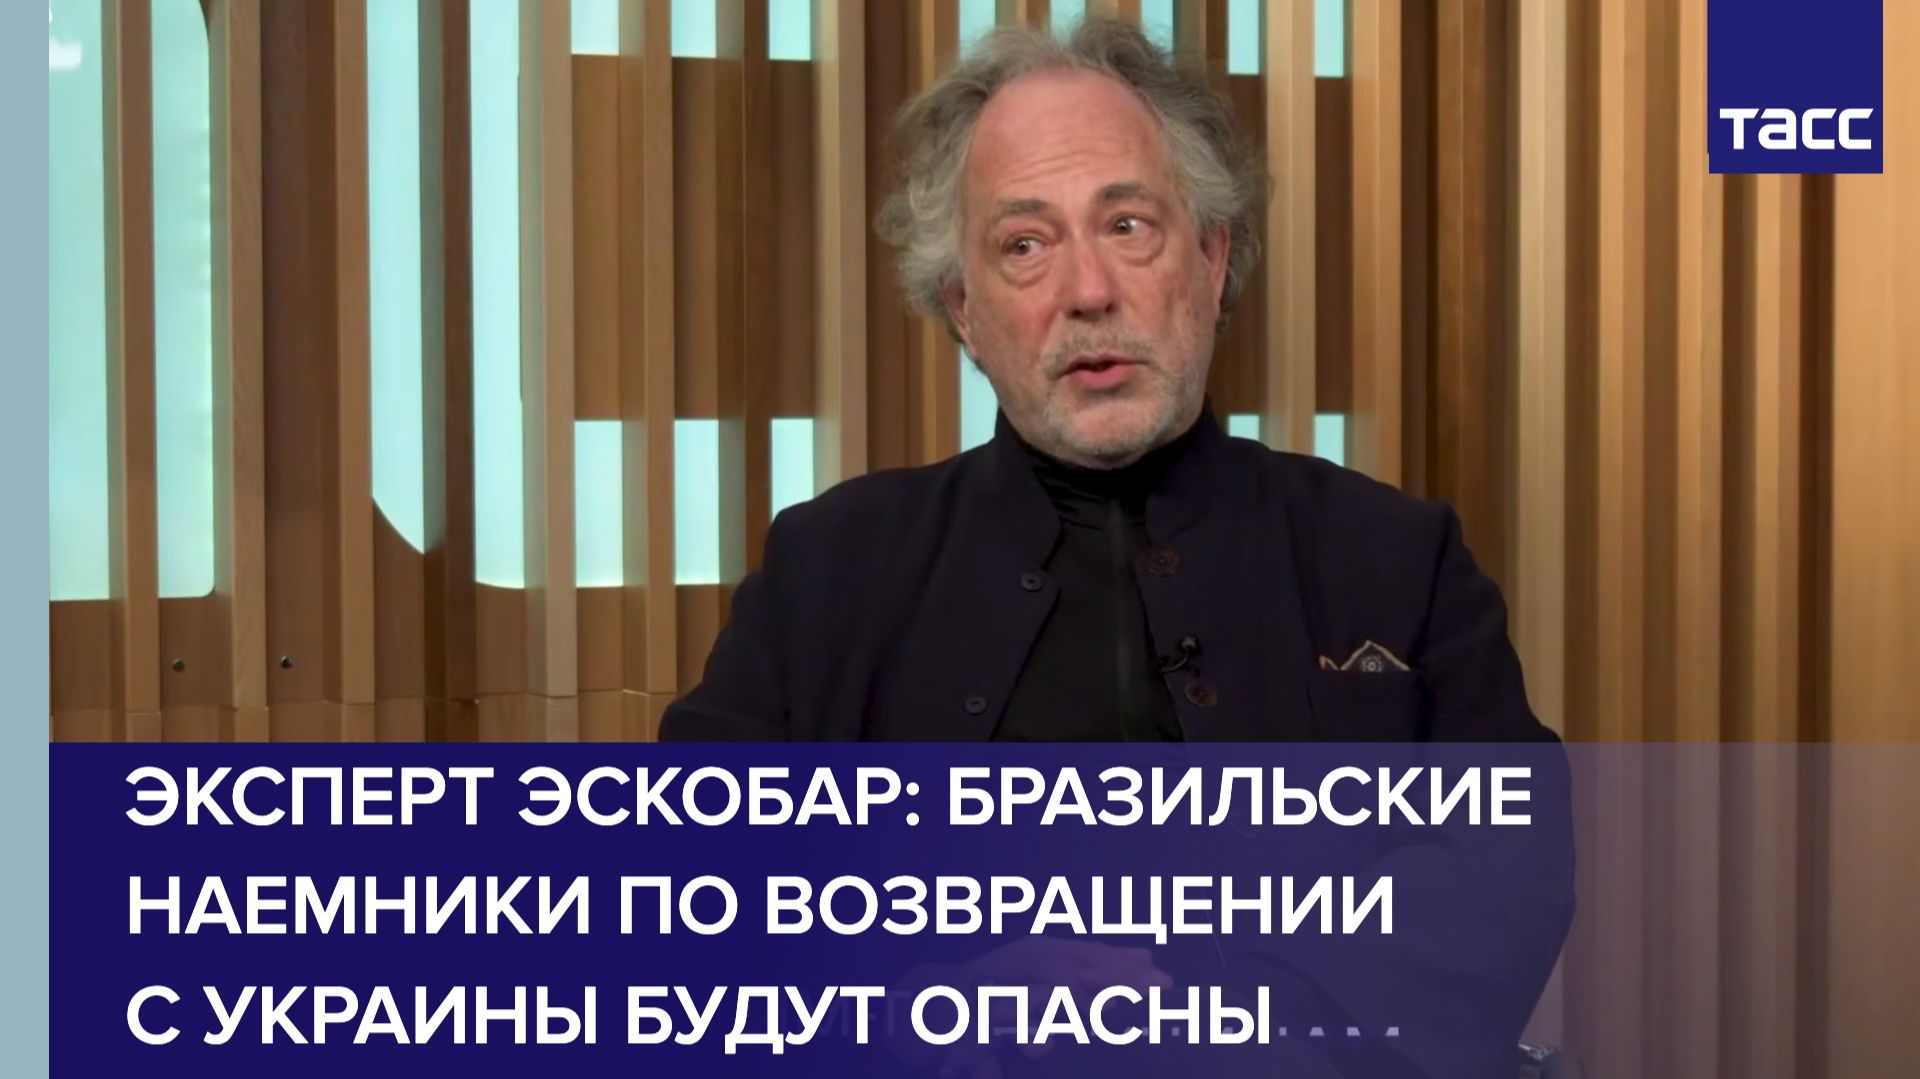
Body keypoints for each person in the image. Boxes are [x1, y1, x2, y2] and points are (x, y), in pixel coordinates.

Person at [658, 18, 1552, 747]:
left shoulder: (1399, 560)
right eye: (1025, 244)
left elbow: (1512, 880)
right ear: (964, 309)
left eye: (1127, 225)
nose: (1088, 292)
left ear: (1212, 258)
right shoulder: (827, 572)